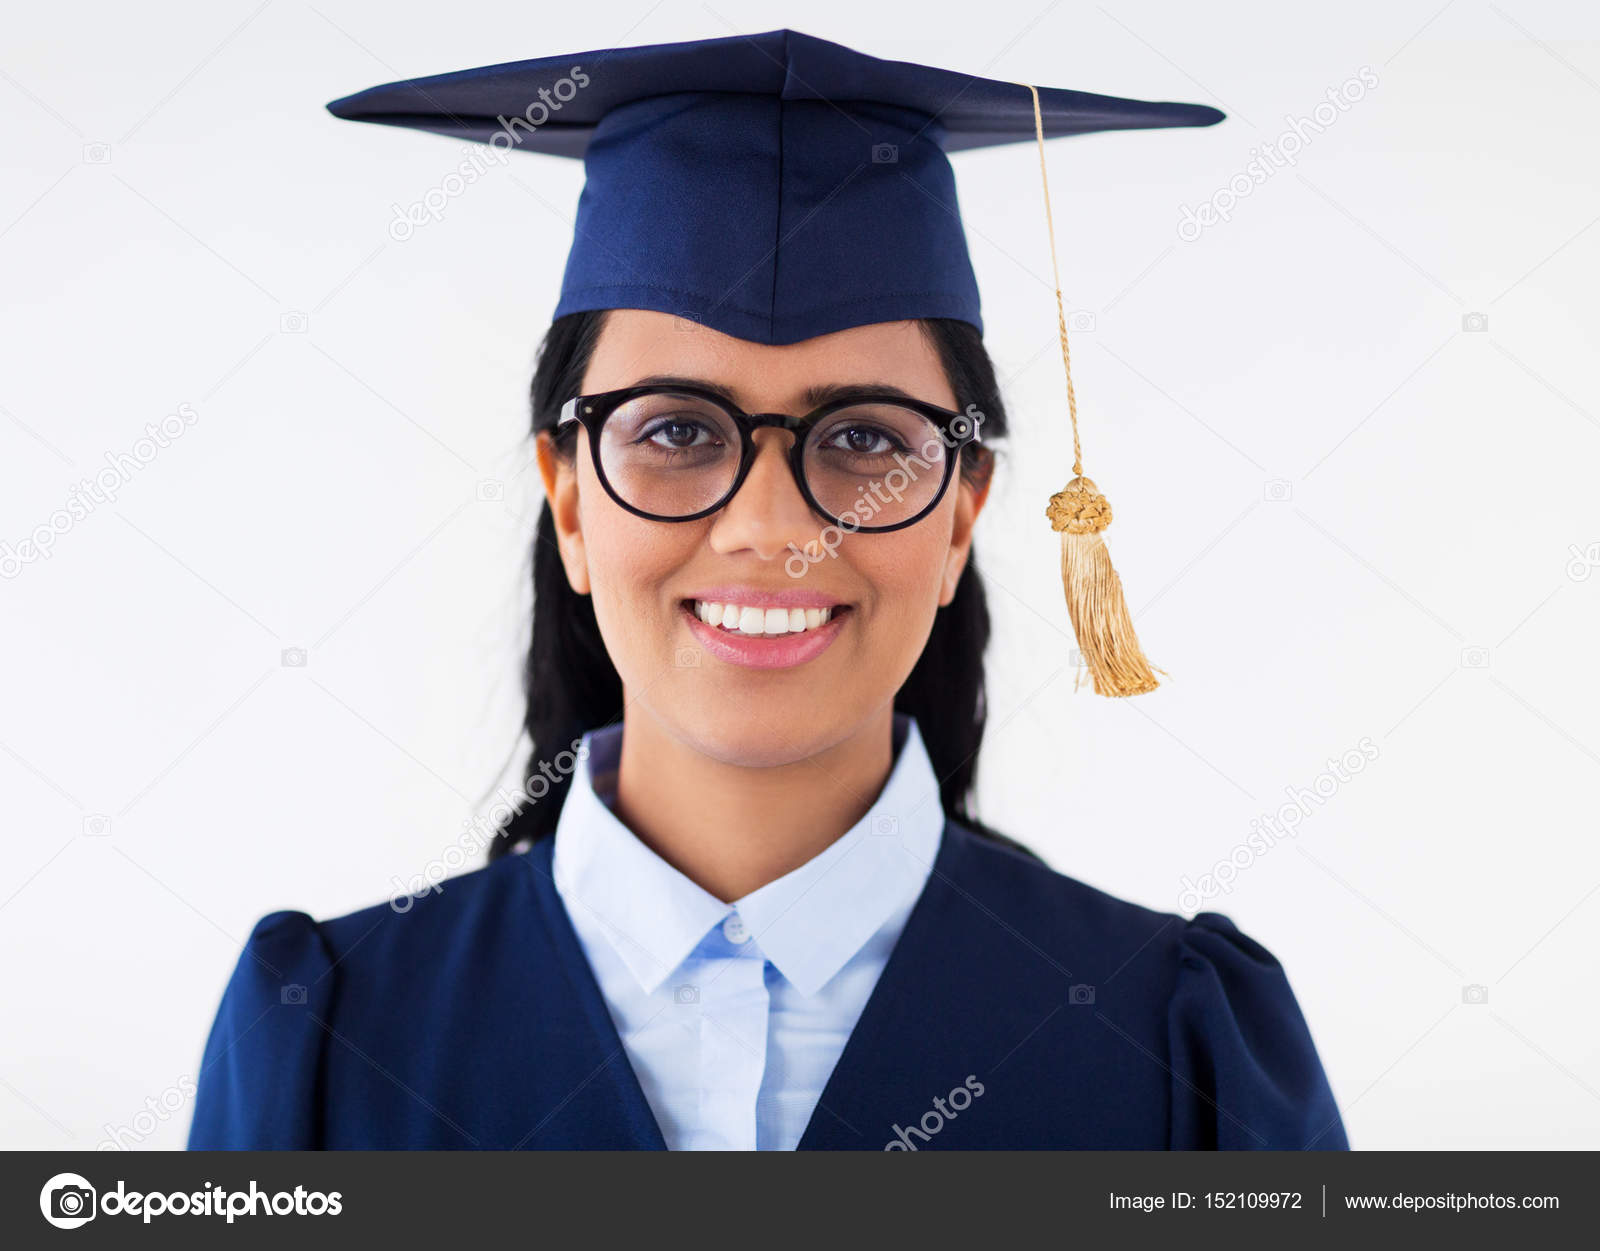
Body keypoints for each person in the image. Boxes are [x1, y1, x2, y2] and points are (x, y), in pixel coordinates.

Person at [188, 29, 1347, 1151]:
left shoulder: (1176, 1044)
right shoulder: (326, 1037)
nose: (766, 529)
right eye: (677, 430)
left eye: (863, 439)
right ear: (571, 499)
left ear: (960, 514)